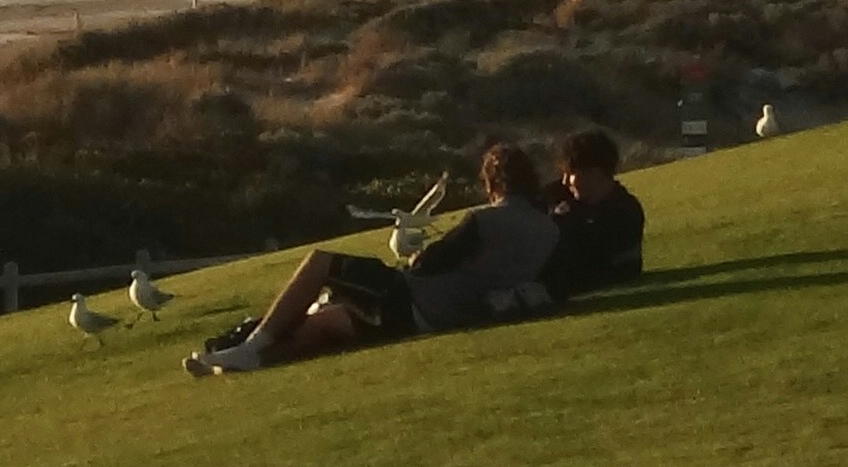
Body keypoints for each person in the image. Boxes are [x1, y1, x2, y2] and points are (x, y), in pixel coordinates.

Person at [183, 144, 560, 373]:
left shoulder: (485, 219)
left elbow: (428, 264)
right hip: (448, 315)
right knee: (327, 323)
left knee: (321, 262)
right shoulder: (549, 230)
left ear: (492, 184)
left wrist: (417, 258)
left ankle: (251, 346)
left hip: (416, 301)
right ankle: (240, 363)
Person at [536, 127, 646, 302]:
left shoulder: (625, 212)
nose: (565, 181)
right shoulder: (555, 195)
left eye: (571, 174)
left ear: (595, 173)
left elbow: (616, 269)